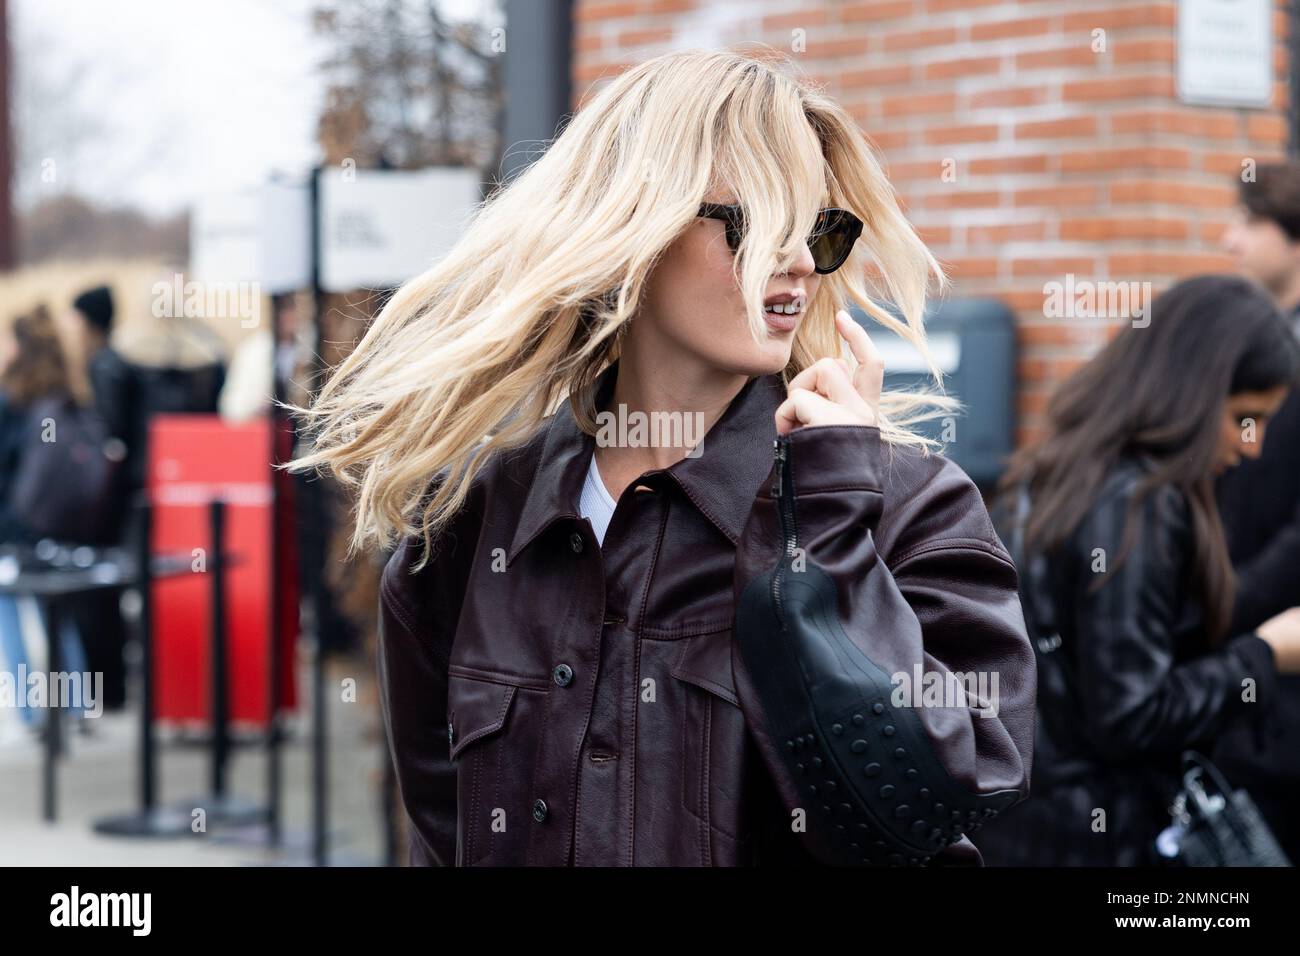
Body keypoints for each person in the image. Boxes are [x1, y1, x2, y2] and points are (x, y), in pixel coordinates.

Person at [286, 49, 1036, 866]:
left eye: (821, 230)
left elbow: (939, 799)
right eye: (752, 224)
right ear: (634, 227)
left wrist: (823, 542)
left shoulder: (902, 503)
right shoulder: (481, 514)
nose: (793, 263)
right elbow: (443, 832)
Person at [972, 275, 1300, 866]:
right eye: (1246, 417)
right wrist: (1266, 653)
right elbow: (1131, 715)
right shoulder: (1134, 502)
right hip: (1093, 840)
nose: (1254, 446)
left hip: (1024, 823)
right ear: (1194, 395)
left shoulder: (1061, 471)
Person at [1216, 162, 1300, 859]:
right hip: (1236, 657)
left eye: (1249, 223)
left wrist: (1233, 603)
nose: (1229, 239)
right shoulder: (1242, 343)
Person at [0, 307, 91, 731]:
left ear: (19, 346)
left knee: (9, 612)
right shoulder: (65, 393)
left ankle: (31, 712)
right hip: (56, 526)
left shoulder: (10, 399)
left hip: (12, 527)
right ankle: (77, 706)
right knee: (58, 614)